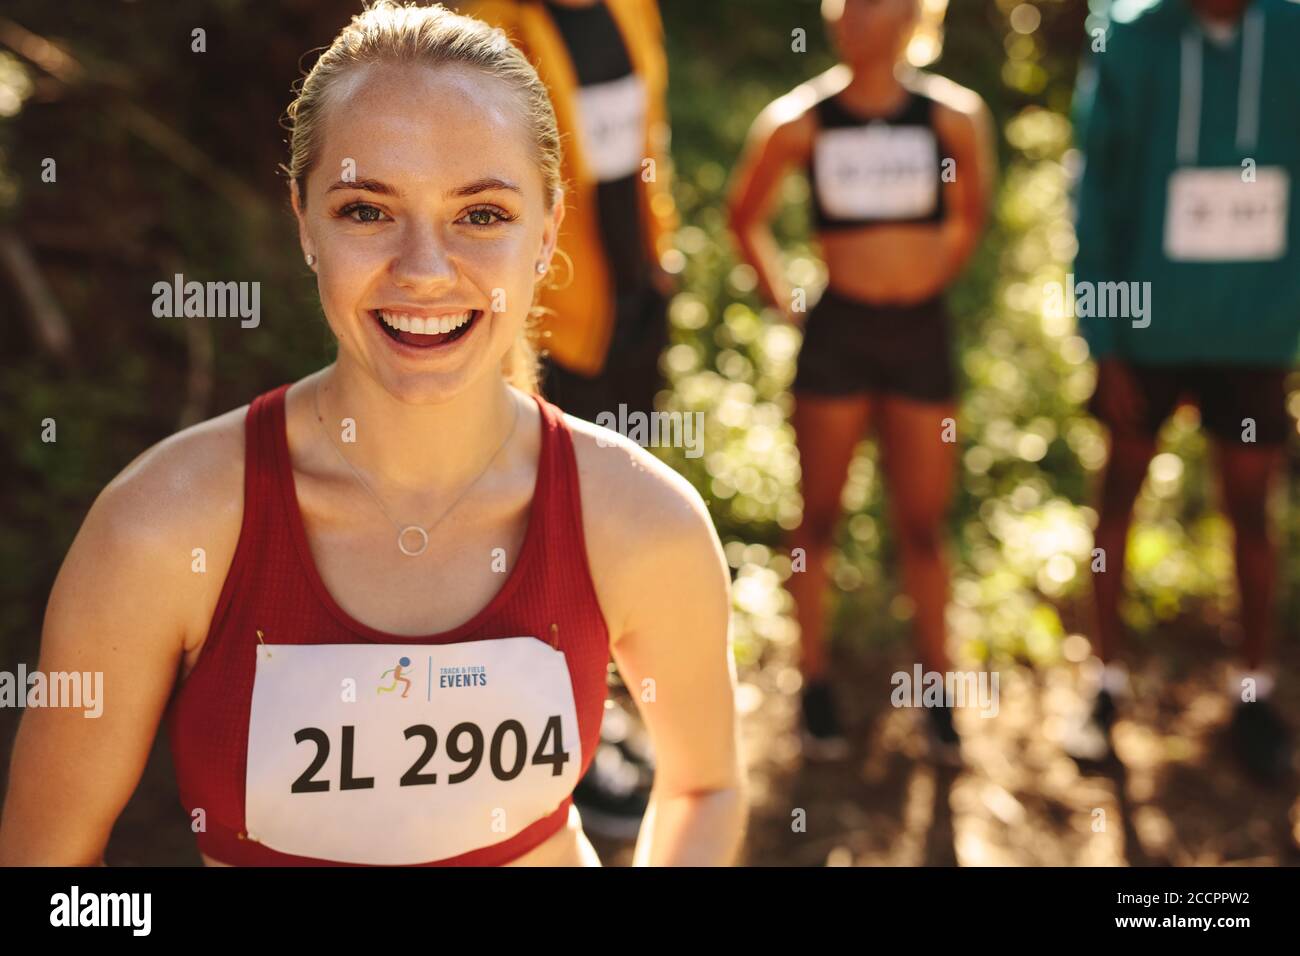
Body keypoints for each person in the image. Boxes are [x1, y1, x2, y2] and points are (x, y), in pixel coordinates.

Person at [0, 1, 744, 866]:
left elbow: (704, 785)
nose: (424, 272)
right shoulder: (160, 525)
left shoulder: (641, 519)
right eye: (365, 210)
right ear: (303, 218)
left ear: (547, 232)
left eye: (482, 215)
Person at [727, 0, 994, 761]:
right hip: (837, 336)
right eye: (845, 6)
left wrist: (931, 272)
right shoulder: (800, 119)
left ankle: (938, 693)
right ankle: (812, 685)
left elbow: (973, 210)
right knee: (816, 520)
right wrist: (788, 301)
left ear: (912, 18)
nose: (853, 18)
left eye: (875, 5)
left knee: (924, 527)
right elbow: (744, 215)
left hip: (920, 336)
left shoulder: (952, 118)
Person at [453, 0, 679, 837]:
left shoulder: (629, 9)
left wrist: (658, 265)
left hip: (632, 306)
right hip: (546, 323)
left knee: (605, 529)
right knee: (535, 533)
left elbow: (646, 140)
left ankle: (589, 716)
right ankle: (548, 755)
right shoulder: (489, 19)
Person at [1069, 0, 1300, 783]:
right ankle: (1104, 685)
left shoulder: (1291, 33)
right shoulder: (1134, 35)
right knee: (1118, 497)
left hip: (1256, 333)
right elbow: (1095, 188)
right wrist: (1103, 339)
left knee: (1251, 512)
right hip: (1147, 330)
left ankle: (1254, 690)